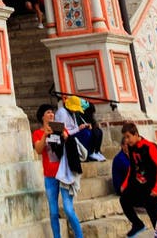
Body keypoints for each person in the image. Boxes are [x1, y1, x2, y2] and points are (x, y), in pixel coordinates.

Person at [32, 103, 83, 238]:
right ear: (42, 116)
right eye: (48, 112)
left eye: (52, 112)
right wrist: (45, 136)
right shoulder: (37, 133)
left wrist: (65, 136)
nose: (51, 114)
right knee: (53, 211)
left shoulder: (60, 128)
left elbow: (69, 144)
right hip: (49, 176)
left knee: (68, 208)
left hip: (64, 174)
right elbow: (38, 149)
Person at [119, 120, 157, 236]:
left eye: (128, 137)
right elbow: (132, 168)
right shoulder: (131, 147)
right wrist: (125, 184)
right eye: (125, 137)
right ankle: (138, 224)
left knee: (153, 214)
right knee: (124, 199)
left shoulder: (149, 147)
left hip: (151, 187)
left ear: (136, 134)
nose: (126, 140)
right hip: (139, 184)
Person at [55, 95, 104, 162]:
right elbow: (63, 131)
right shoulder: (62, 112)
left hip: (73, 133)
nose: (76, 111)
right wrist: (78, 129)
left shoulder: (72, 112)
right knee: (86, 133)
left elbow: (74, 127)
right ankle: (86, 154)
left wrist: (84, 126)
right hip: (66, 137)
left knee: (94, 131)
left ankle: (91, 153)